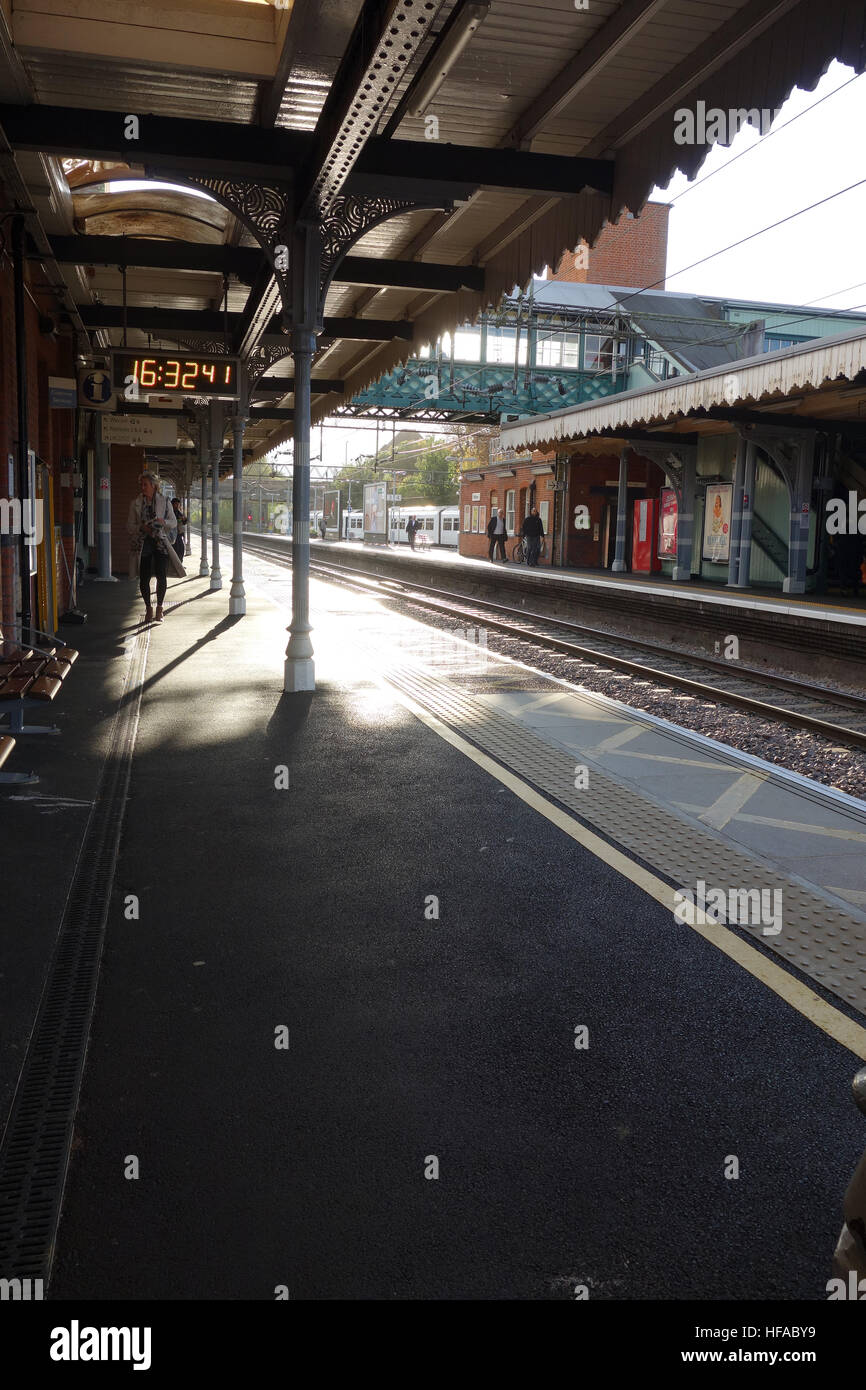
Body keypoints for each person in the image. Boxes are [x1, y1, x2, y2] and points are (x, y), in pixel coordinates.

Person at [127, 470, 183, 623]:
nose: (142, 487)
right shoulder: (136, 503)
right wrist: (141, 527)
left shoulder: (165, 501)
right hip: (143, 543)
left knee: (161, 575)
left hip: (160, 542)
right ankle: (148, 608)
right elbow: (129, 526)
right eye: (141, 484)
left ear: (153, 485)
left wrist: (163, 522)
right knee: (143, 578)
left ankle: (159, 608)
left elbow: (174, 522)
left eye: (145, 485)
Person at [170, 497, 187, 562]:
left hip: (179, 534)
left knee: (181, 549)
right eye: (176, 504)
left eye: (178, 504)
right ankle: (176, 563)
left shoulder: (179, 512)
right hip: (173, 535)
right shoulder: (170, 512)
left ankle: (180, 562)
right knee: (176, 549)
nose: (177, 506)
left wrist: (184, 520)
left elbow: (184, 522)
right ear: (172, 504)